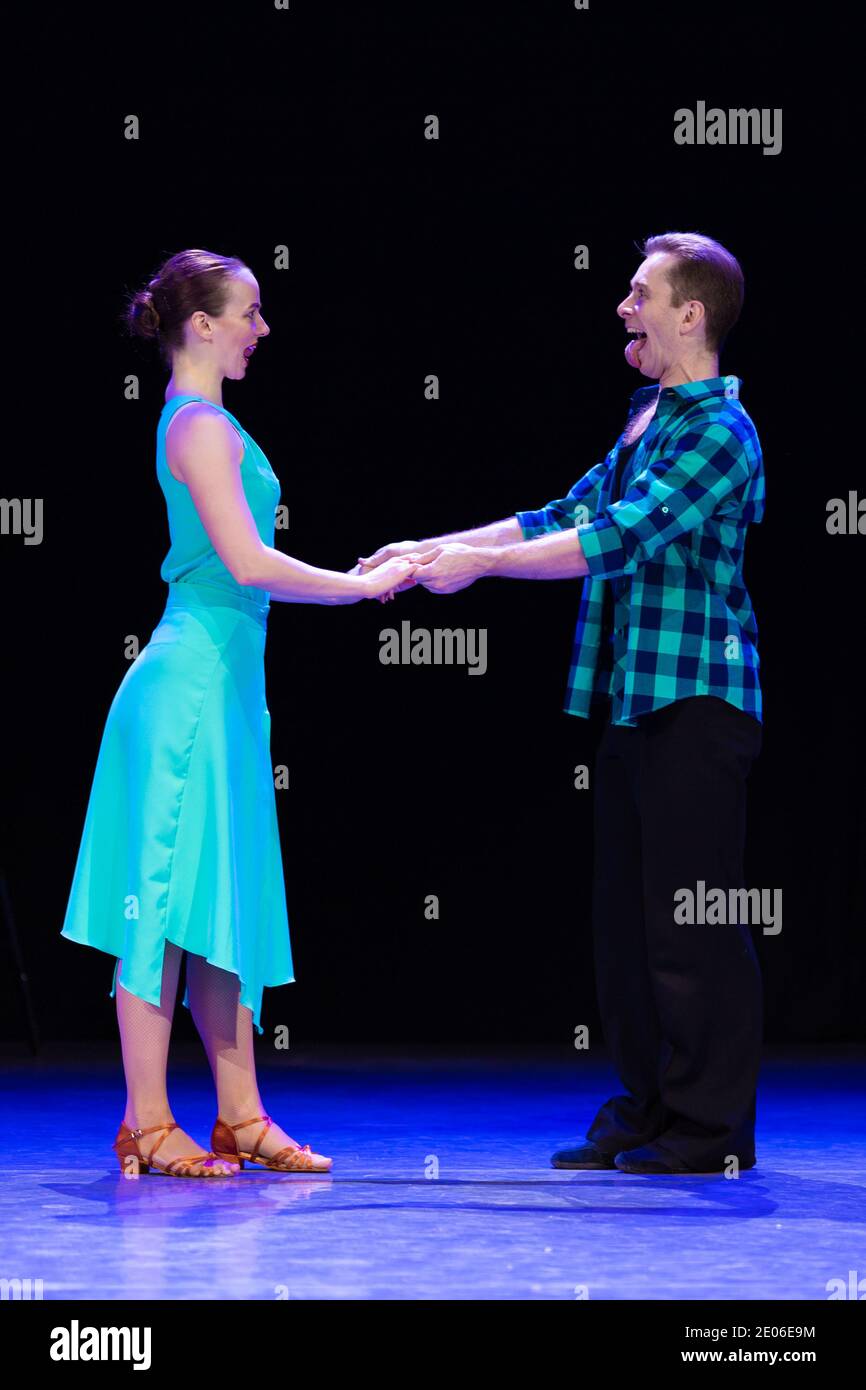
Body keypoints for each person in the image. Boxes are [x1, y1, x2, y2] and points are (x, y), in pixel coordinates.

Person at [359, 231, 766, 1175]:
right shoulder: (646, 415)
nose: (623, 308)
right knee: (625, 919)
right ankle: (648, 1105)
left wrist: (484, 569)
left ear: (689, 314)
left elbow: (620, 535)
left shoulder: (719, 431)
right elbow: (563, 515)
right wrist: (427, 551)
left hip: (697, 698)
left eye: (639, 295)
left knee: (691, 920)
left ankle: (708, 1130)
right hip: (633, 701)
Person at [60, 249, 417, 1179]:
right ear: (205, 324)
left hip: (223, 694)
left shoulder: (206, 422)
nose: (262, 329)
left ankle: (241, 1115)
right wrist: (358, 585)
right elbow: (249, 564)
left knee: (220, 901)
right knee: (162, 909)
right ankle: (146, 1121)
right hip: (186, 695)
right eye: (250, 312)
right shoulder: (200, 428)